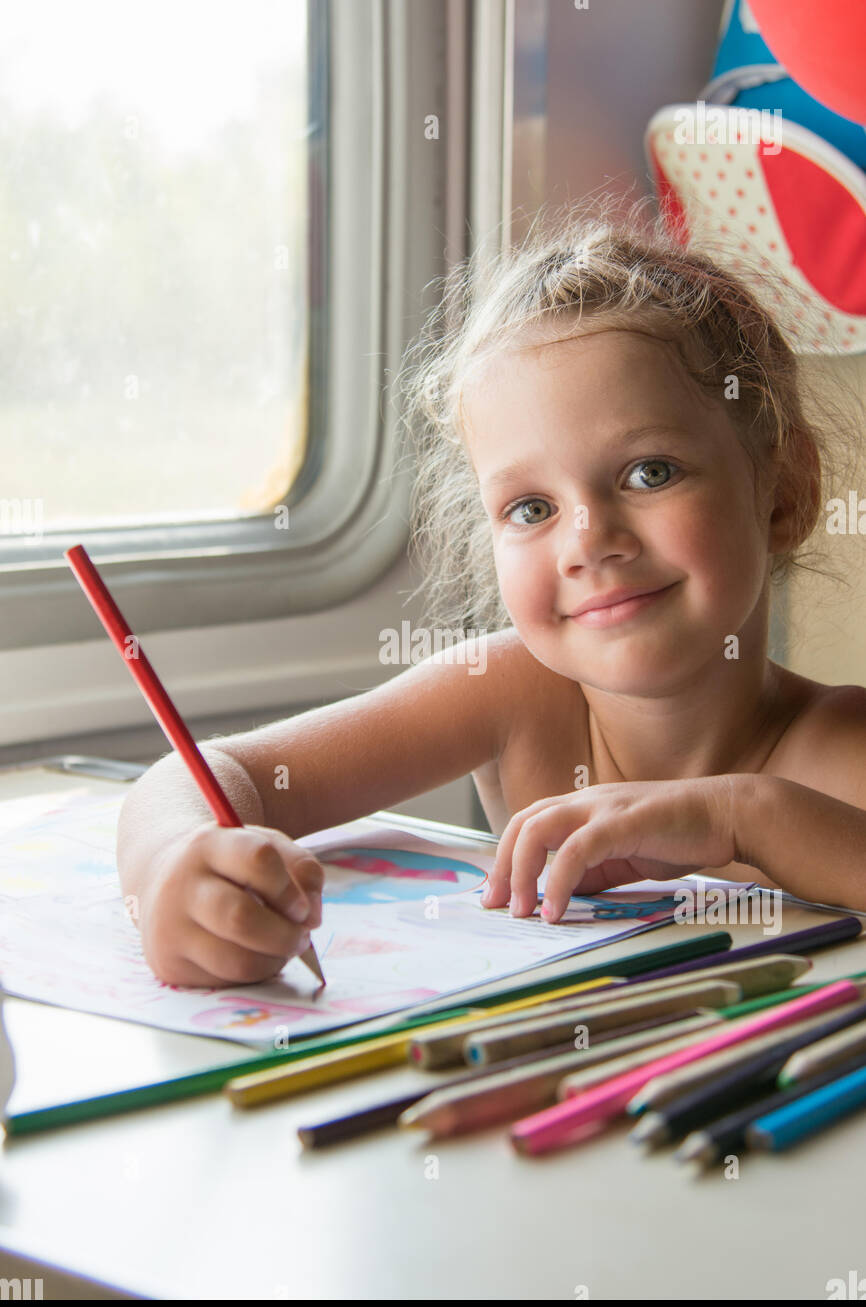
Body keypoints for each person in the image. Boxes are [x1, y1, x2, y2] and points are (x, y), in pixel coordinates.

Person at [117, 199, 866, 987]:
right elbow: (205, 776)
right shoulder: (508, 692)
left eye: (650, 472)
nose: (586, 540)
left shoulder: (838, 748)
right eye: (531, 509)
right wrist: (176, 869)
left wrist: (739, 817)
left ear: (783, 494)